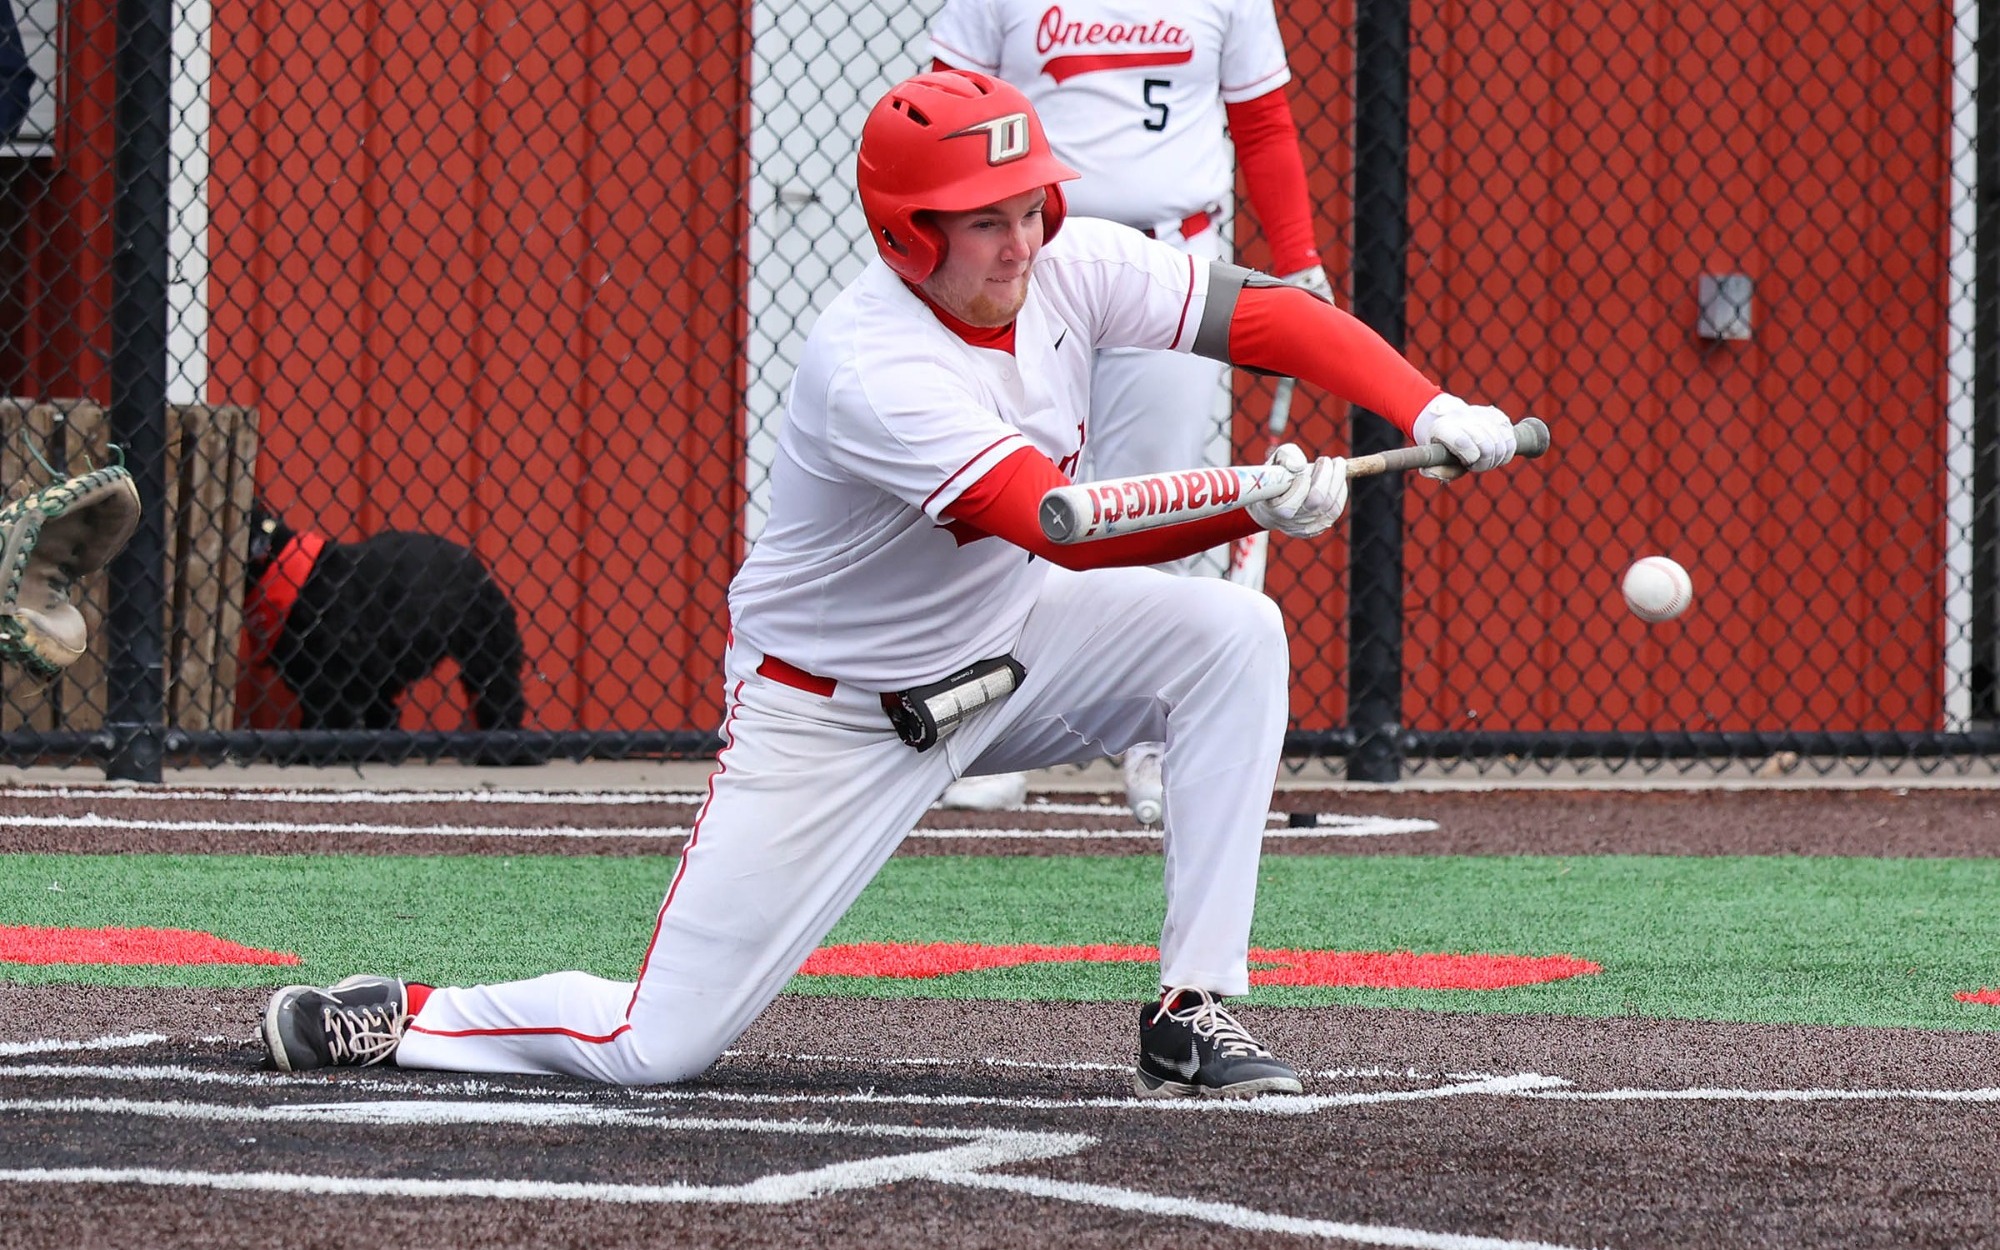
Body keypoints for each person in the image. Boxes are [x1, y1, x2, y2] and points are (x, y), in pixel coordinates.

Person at [258, 70, 1518, 1099]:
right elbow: (1055, 521)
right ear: (908, 234)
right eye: (984, 217)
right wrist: (1249, 495)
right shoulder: (870, 364)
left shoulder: (1064, 268)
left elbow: (1264, 318)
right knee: (658, 1046)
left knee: (1232, 634)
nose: (1018, 238)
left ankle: (1193, 1006)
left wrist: (1426, 403)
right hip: (837, 712)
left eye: (1027, 204)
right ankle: (412, 1014)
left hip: (1010, 643)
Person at [927, 0, 1334, 826]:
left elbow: (1260, 124)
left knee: (1154, 497)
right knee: (1012, 501)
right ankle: (987, 729)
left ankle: (1152, 741)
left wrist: (1297, 260)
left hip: (1169, 264)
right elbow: (941, 117)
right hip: (1026, 267)